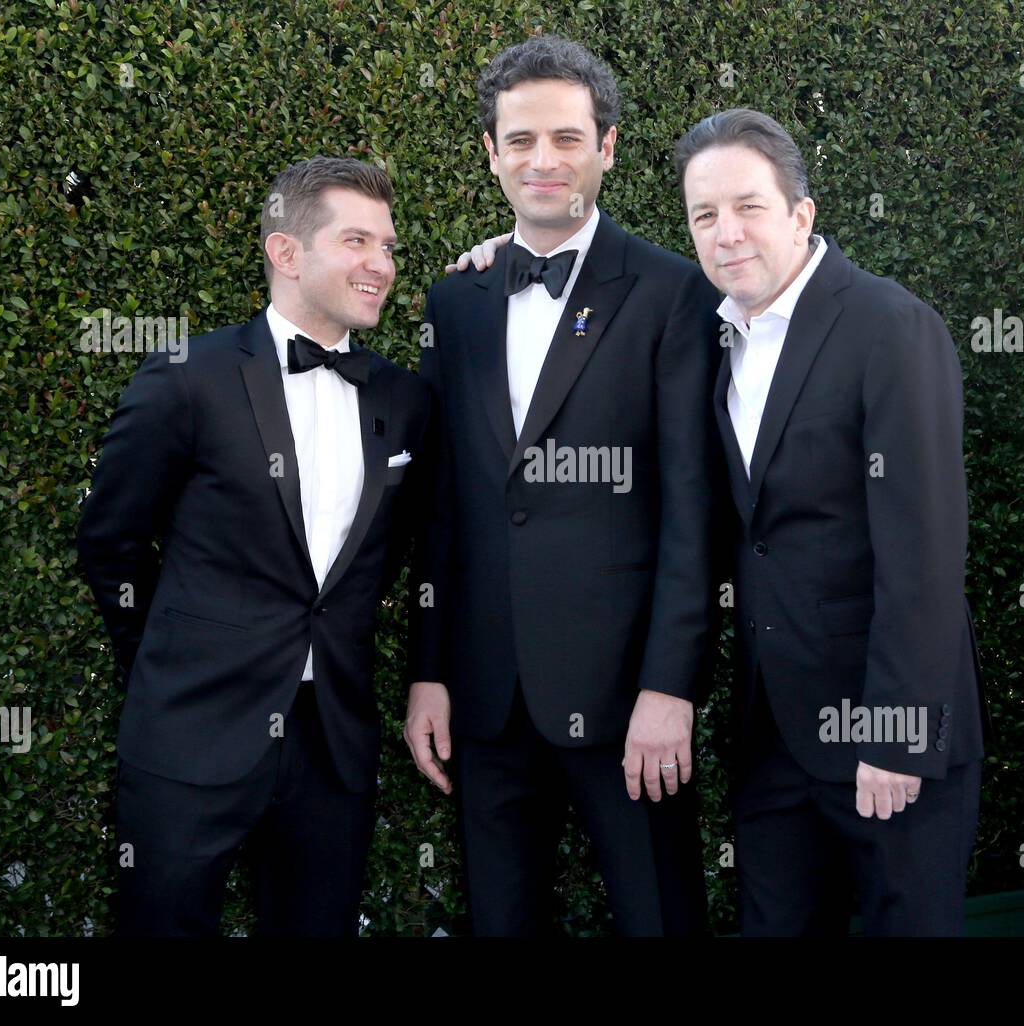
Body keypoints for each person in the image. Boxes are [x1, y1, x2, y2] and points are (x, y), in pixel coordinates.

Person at [404, 35, 717, 936]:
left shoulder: (673, 293)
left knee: (661, 919)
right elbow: (447, 506)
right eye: (522, 140)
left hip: (628, 702)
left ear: (607, 148)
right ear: (492, 153)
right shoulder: (452, 301)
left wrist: (671, 687)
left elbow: (692, 513)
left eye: (569, 139)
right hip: (486, 698)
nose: (544, 160)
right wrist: (430, 672)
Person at [77, 156, 431, 936]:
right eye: (358, 241)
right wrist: (172, 660)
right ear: (286, 252)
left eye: (390, 246)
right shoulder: (186, 377)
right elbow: (110, 542)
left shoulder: (405, 402)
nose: (382, 265)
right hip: (191, 728)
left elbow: (397, 556)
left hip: (332, 740)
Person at [677, 108, 989, 935]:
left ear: (802, 215)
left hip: (883, 731)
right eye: (704, 215)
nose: (727, 232)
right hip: (772, 733)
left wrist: (896, 732)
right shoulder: (716, 340)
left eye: (748, 206)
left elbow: (923, 551)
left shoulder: (888, 326)